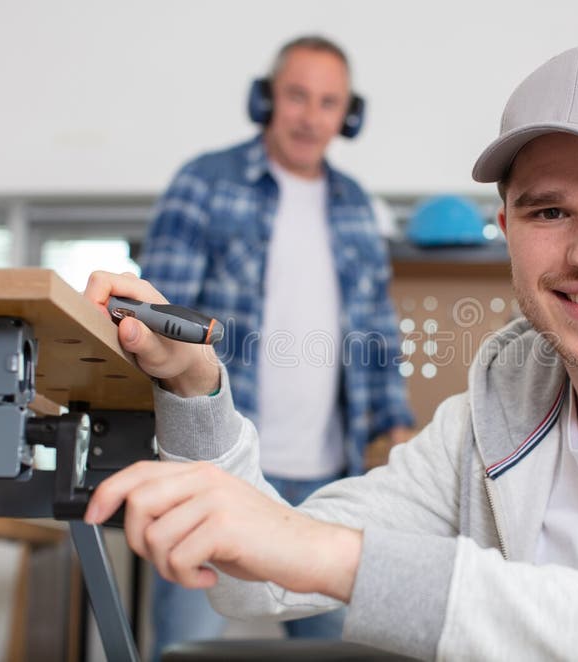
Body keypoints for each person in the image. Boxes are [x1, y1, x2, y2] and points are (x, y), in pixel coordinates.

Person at [86, 44, 578, 660]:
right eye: (548, 214)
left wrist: (331, 554)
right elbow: (252, 575)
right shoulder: (498, 410)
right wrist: (195, 387)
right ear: (505, 233)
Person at [136, 34, 414, 654]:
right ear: (266, 99)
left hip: (328, 481)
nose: (311, 117)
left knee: (342, 650)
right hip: (213, 468)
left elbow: (375, 328)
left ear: (349, 115)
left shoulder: (356, 208)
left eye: (328, 102)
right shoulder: (203, 182)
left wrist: (396, 429)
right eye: (297, 96)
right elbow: (159, 320)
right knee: (183, 646)